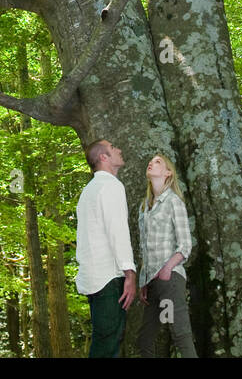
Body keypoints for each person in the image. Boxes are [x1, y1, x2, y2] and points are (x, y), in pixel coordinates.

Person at [75, 138, 137, 357]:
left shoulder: (89, 190)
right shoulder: (110, 186)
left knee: (105, 340)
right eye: (113, 148)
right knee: (107, 344)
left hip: (95, 278)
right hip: (108, 277)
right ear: (103, 157)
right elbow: (117, 232)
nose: (119, 149)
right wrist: (129, 273)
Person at [136, 153, 197, 357]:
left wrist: (167, 269)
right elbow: (143, 247)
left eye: (158, 162)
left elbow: (185, 244)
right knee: (145, 339)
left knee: (179, 333)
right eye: (151, 161)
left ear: (168, 173)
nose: (151, 163)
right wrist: (143, 282)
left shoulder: (173, 202)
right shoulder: (144, 206)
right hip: (152, 284)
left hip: (169, 281)